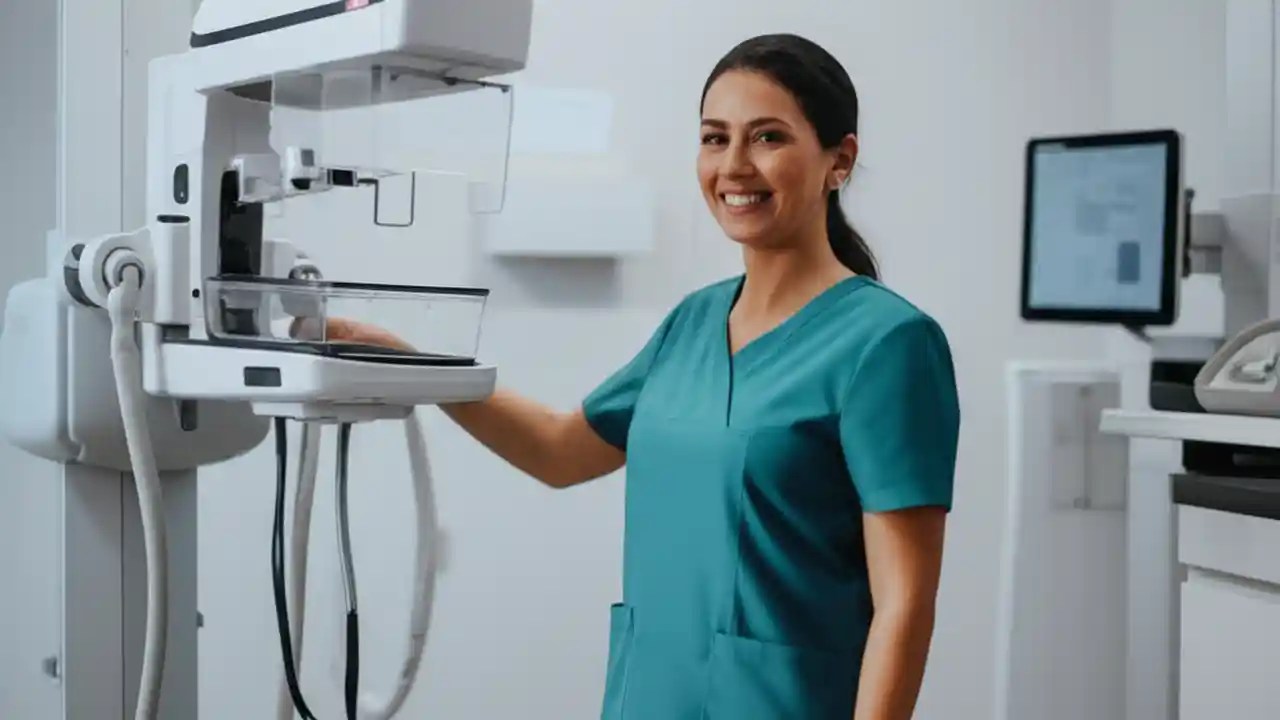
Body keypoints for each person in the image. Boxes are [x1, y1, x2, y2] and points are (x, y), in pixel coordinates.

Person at [329, 32, 960, 720]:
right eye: (715, 139)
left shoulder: (887, 344)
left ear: (839, 160)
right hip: (649, 697)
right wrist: (413, 363)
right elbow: (561, 449)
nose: (735, 165)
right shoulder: (693, 323)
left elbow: (904, 603)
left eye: (769, 137)